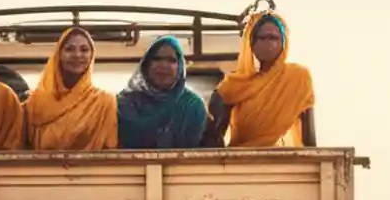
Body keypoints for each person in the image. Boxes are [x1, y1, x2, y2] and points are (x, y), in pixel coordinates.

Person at [213, 11, 316, 148]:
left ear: (283, 43)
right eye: (263, 38)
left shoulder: (298, 78)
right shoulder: (231, 86)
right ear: (251, 42)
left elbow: (309, 139)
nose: (269, 43)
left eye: (274, 38)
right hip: (240, 158)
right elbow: (214, 141)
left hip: (281, 158)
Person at [24, 27, 118, 150]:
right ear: (58, 55)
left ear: (91, 56)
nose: (77, 55)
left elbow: (110, 149)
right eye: (69, 49)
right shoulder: (34, 103)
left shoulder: (104, 102)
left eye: (84, 50)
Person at [116, 36, 208, 149]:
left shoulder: (193, 106)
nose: (164, 65)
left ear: (180, 67)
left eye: (171, 60)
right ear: (146, 65)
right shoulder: (124, 104)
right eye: (157, 59)